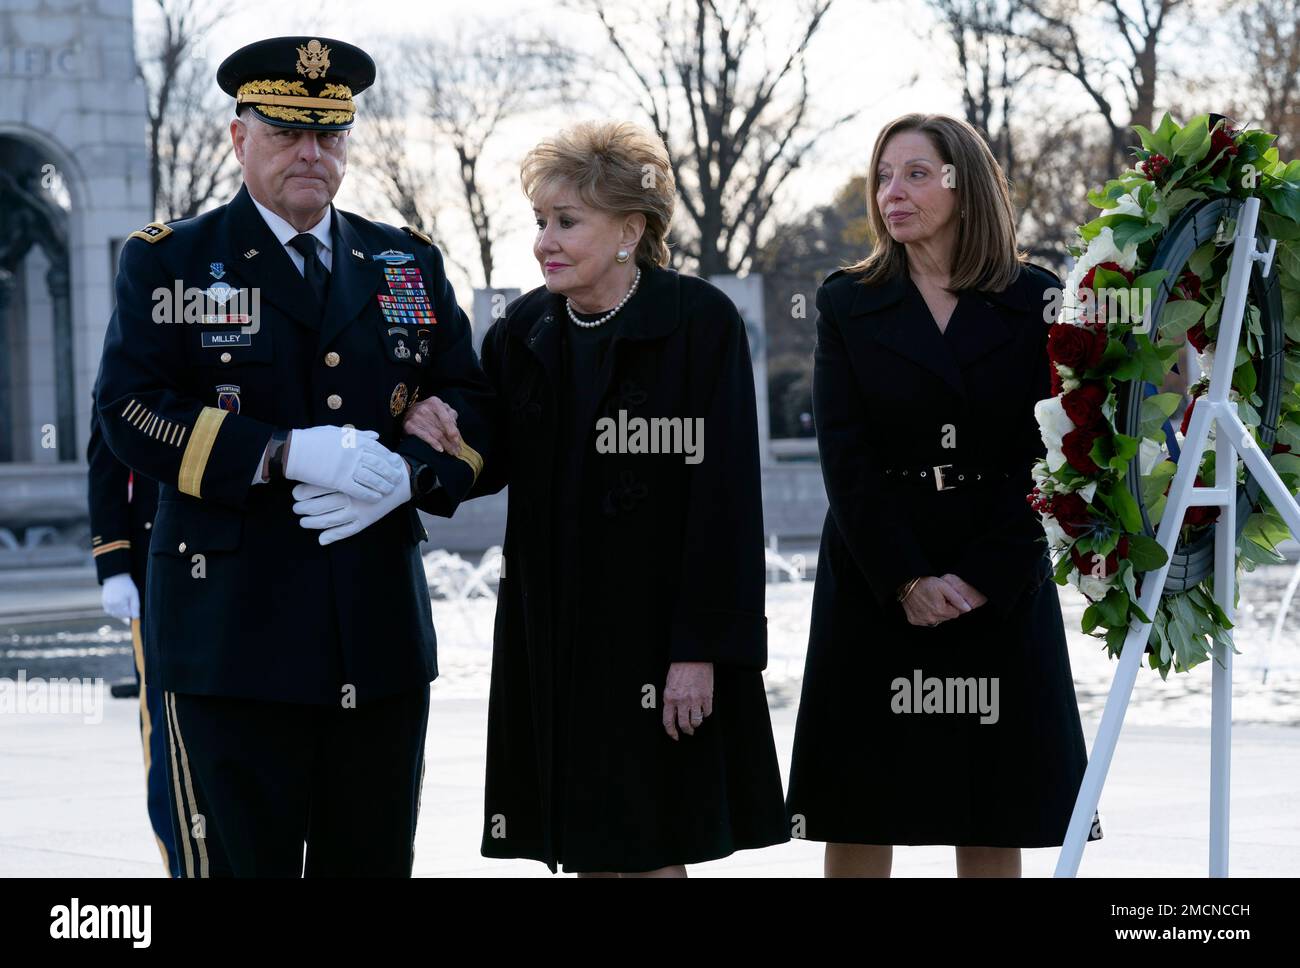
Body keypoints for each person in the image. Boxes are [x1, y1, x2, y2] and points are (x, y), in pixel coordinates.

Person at [92, 35, 494, 877]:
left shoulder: (403, 261)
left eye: (330, 133)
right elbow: (130, 411)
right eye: (285, 131)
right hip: (229, 639)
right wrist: (280, 453)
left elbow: (477, 402)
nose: (311, 153)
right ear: (240, 139)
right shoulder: (169, 261)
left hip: (373, 636)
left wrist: (407, 481)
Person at [403, 120, 789, 876]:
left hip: (658, 638)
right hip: (552, 636)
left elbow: (727, 502)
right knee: (585, 843)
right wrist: (429, 426)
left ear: (629, 230)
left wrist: (699, 652)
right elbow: (490, 458)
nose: (545, 239)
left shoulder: (698, 321)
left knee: (651, 845)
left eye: (567, 221)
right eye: (540, 222)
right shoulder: (520, 332)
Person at [784, 113, 1101, 878]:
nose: (893, 192)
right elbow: (845, 456)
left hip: (999, 569)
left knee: (995, 804)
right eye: (884, 175)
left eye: (917, 173)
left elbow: (1053, 454)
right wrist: (908, 579)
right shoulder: (846, 301)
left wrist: (986, 575)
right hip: (877, 575)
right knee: (861, 804)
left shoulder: (1037, 300)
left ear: (967, 185)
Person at [86, 408, 178, 877]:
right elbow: (107, 465)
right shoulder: (144, 344)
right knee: (162, 722)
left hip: (235, 571)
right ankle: (177, 858)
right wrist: (114, 564)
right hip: (151, 571)